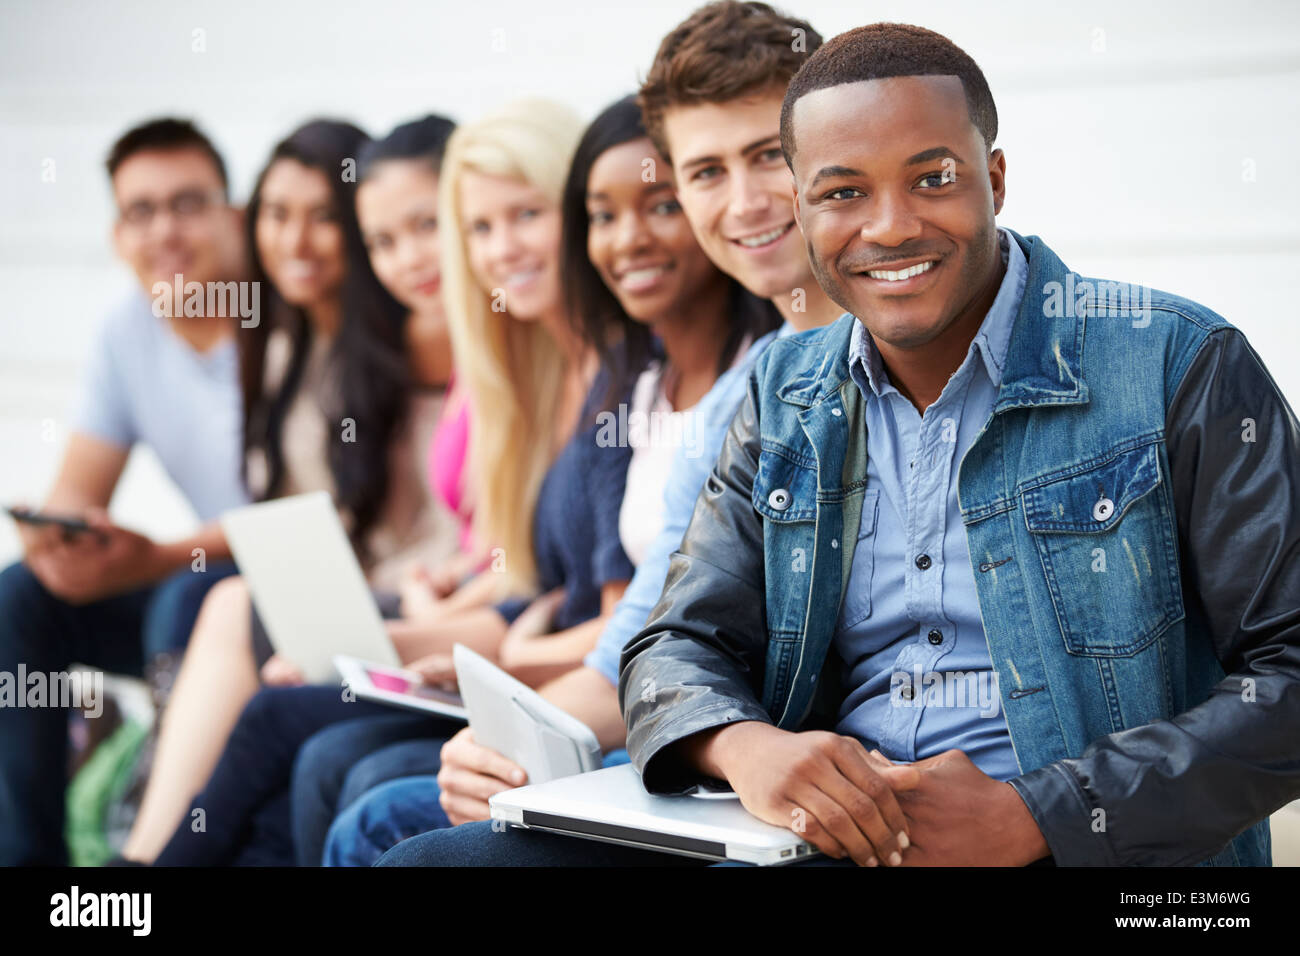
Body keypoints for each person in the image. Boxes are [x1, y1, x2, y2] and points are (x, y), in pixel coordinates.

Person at [141, 99, 650, 867]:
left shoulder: (610, 378)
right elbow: (521, 558)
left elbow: (597, 605)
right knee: (233, 635)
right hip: (508, 632)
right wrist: (460, 593)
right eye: (479, 229)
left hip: (544, 659)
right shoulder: (521, 362)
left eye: (524, 215)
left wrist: (490, 637)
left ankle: (138, 877)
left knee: (310, 739)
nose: (498, 248)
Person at [307, 92, 786, 865]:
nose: (628, 237)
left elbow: (643, 625)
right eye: (603, 214)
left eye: (659, 204)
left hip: (679, 724)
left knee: (370, 804)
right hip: (615, 696)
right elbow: (589, 599)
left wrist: (506, 668)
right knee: (337, 763)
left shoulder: (755, 381)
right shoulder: (636, 381)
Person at [119, 119, 460, 863]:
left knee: (222, 599)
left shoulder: (417, 338)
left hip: (419, 591)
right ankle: (147, 835)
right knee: (198, 597)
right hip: (362, 584)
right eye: (277, 215)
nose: (296, 241)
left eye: (322, 218)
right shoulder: (281, 342)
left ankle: (143, 861)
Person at [0, 118, 249, 865]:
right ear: (117, 235)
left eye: (188, 204)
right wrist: (62, 543)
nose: (164, 230)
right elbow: (75, 493)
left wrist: (158, 557)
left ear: (232, 218)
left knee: (188, 596)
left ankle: (151, 853)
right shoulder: (126, 332)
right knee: (21, 597)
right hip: (195, 574)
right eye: (141, 211)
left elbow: (312, 518)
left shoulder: (281, 321)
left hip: (274, 583)